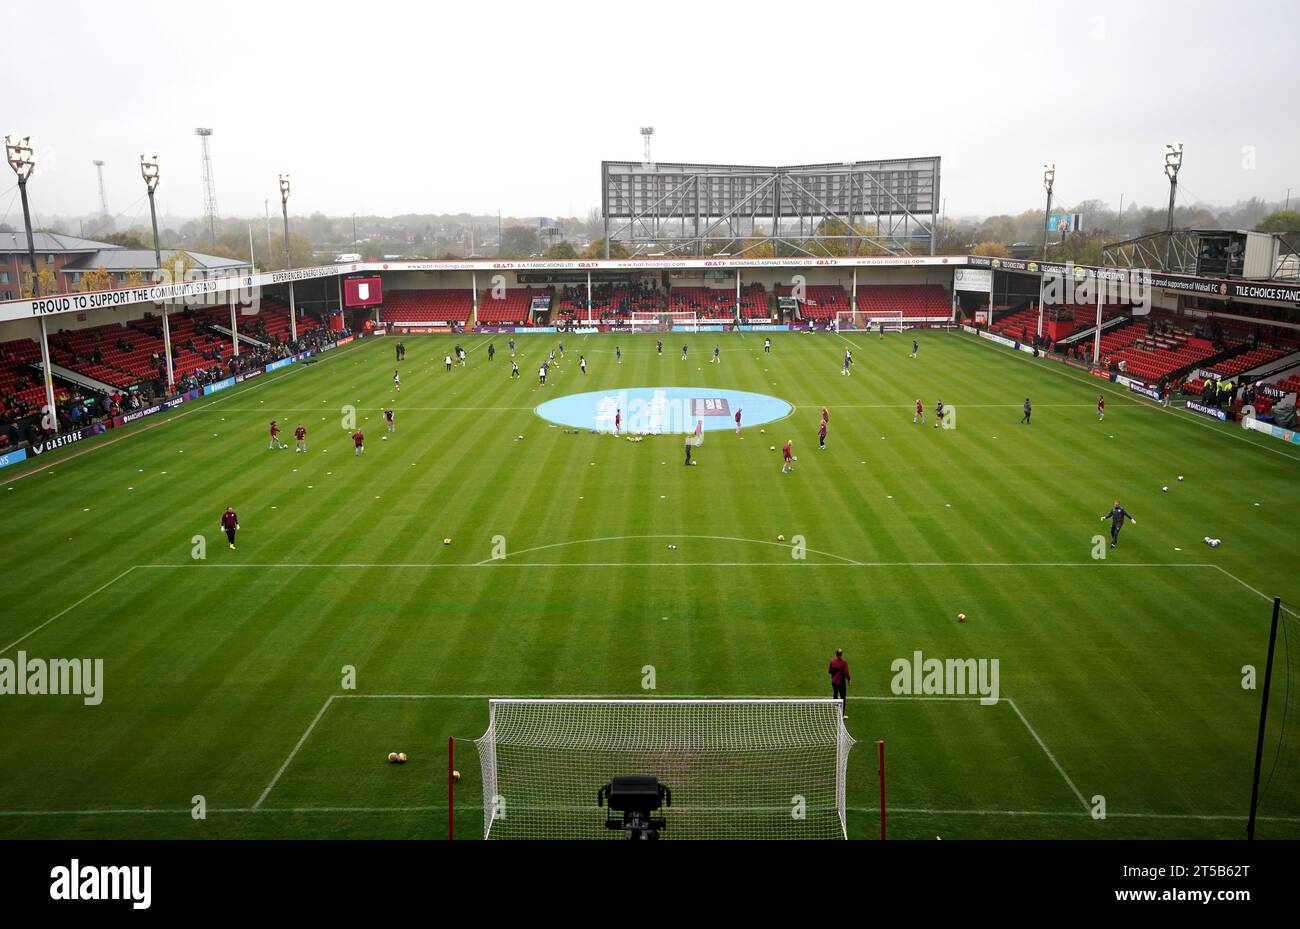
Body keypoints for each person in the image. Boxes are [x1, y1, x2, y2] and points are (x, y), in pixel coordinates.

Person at [828, 648, 850, 720]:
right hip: (841, 682)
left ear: (836, 654)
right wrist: (849, 680)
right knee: (843, 697)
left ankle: (835, 706)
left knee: (835, 693)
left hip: (834, 681)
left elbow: (830, 671)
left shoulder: (832, 662)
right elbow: (846, 673)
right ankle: (842, 715)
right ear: (841, 654)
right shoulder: (844, 663)